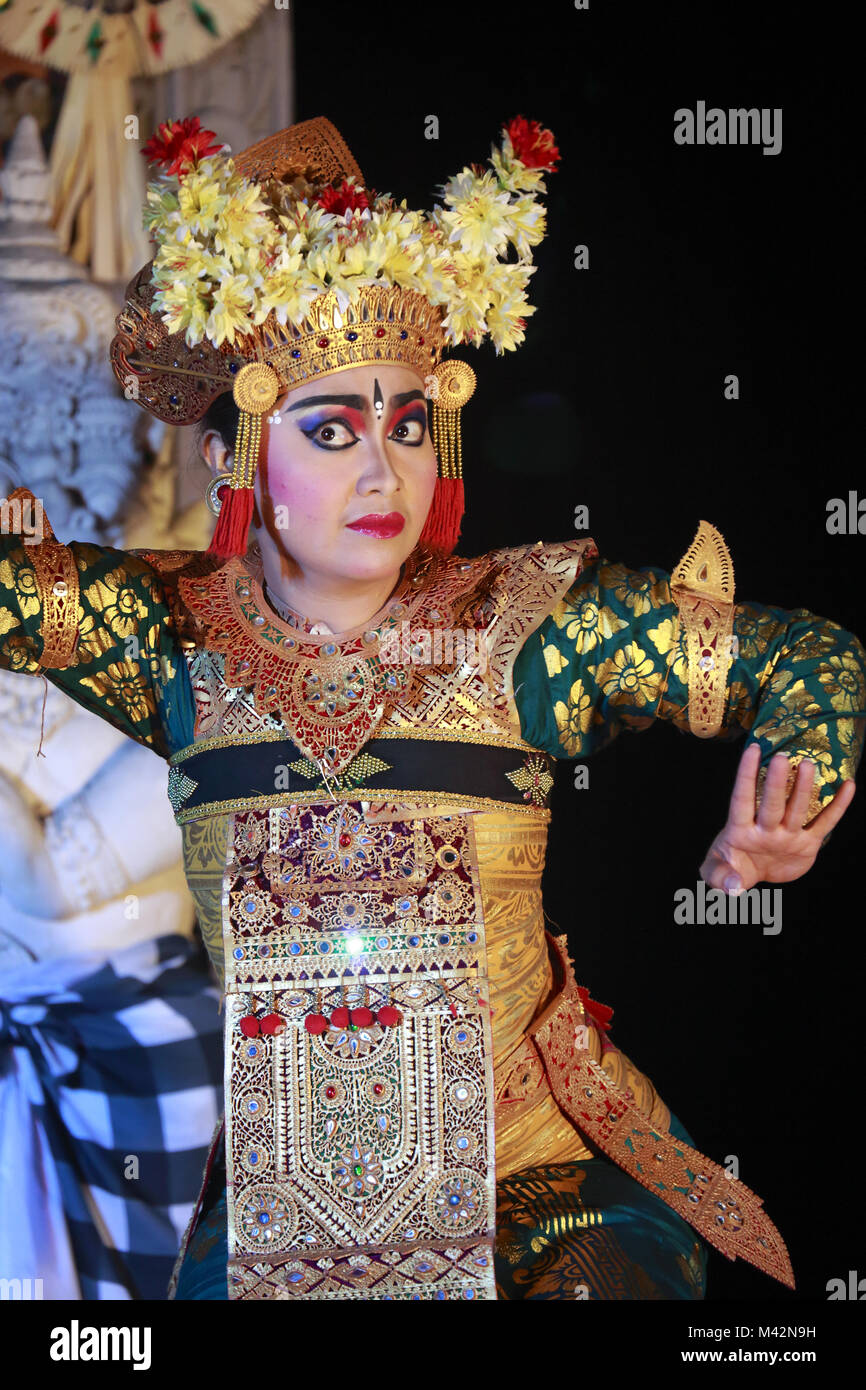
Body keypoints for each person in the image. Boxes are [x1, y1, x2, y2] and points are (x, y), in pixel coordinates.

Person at [0, 112, 862, 1301]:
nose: (381, 472)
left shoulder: (526, 624)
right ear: (235, 457)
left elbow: (805, 656)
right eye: (332, 430)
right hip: (278, 1220)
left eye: (408, 426)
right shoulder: (171, 635)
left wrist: (790, 789)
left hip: (539, 1187)